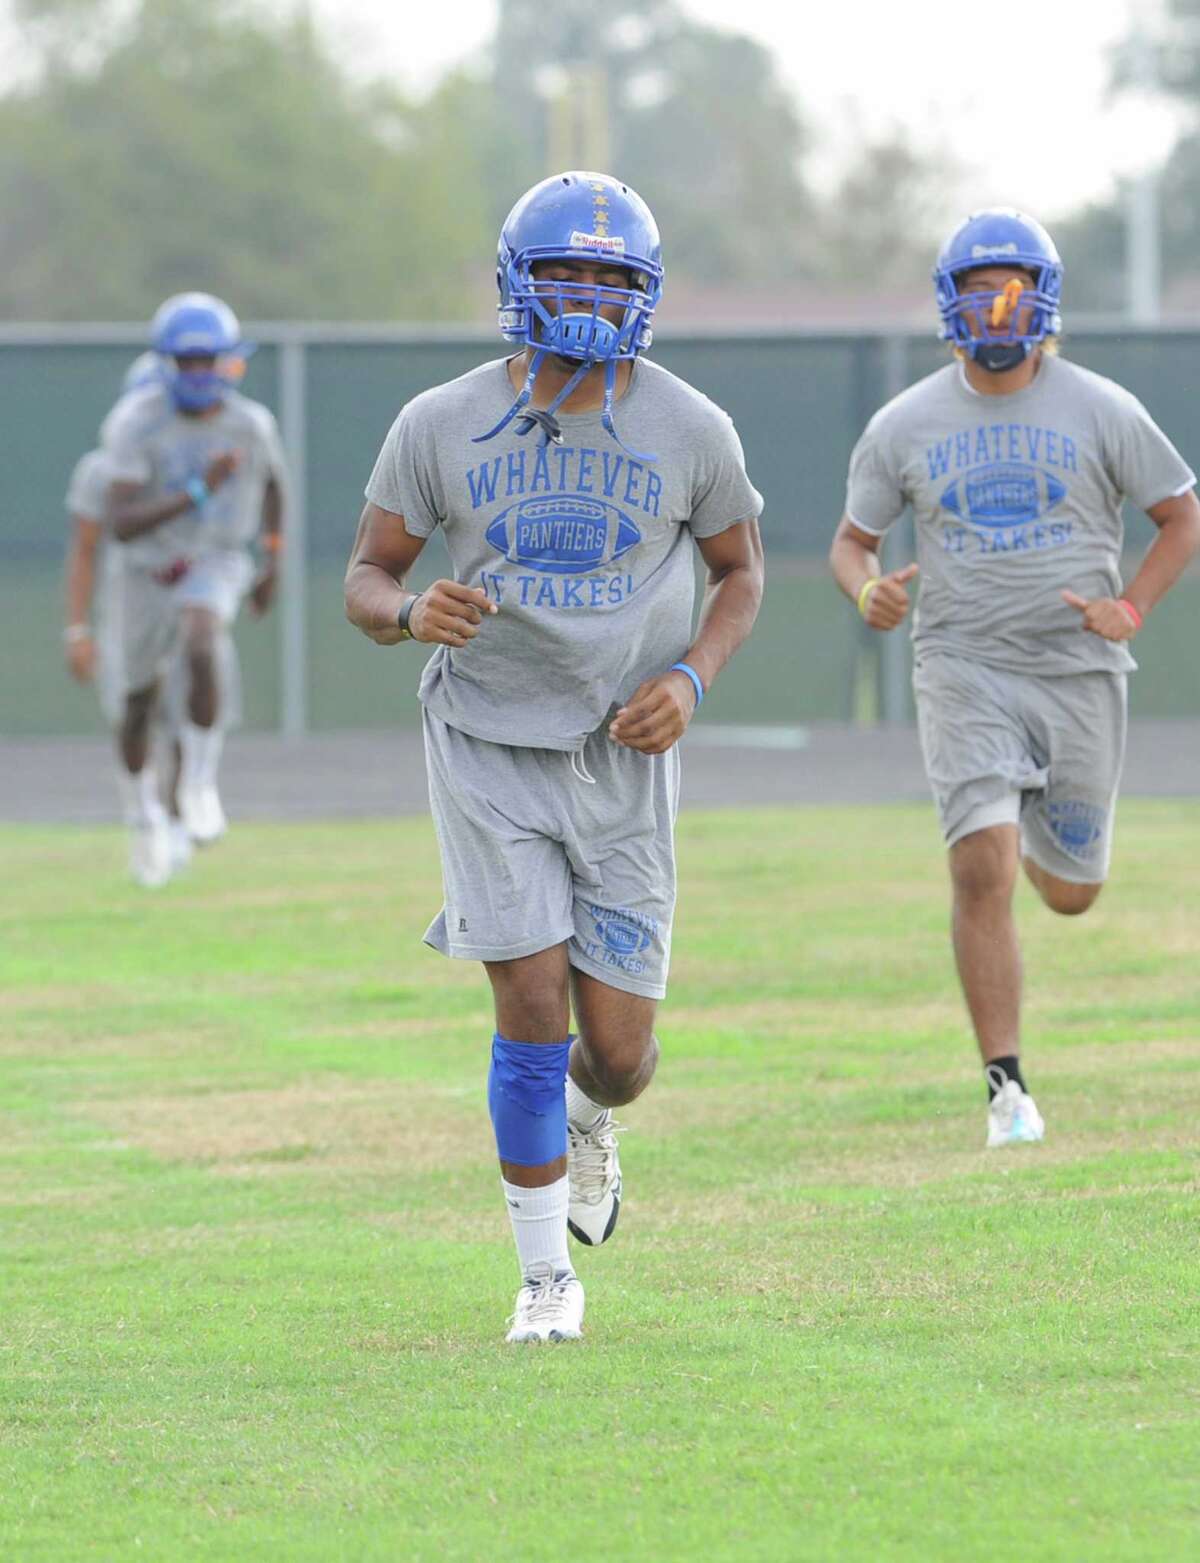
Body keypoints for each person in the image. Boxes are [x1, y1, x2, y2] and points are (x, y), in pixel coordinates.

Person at [345, 170, 764, 1342]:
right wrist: (406, 612)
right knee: (528, 1006)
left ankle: (593, 1111)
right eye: (564, 272)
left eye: (612, 276)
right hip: (484, 741)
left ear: (648, 291)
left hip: (621, 756)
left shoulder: (694, 427)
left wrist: (691, 677)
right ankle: (545, 1281)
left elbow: (742, 573)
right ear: (514, 283)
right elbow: (364, 579)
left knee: (620, 1053)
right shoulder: (436, 421)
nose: (587, 295)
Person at [830, 207, 1200, 1148]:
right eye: (978, 289)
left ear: (1045, 300)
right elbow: (852, 543)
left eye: (1016, 288)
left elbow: (1180, 514)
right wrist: (868, 590)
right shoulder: (903, 422)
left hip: (1078, 671)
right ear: (948, 305)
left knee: (1071, 893)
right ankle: (1007, 1091)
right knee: (979, 861)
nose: (998, 308)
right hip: (963, 666)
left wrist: (1135, 606)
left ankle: (1033, 817)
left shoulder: (1103, 407)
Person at [101, 292, 287, 884]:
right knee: (138, 702)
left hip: (216, 558)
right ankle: (142, 814)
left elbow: (275, 488)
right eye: (188, 362)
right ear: (165, 364)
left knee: (203, 638)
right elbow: (120, 522)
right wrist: (199, 491)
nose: (200, 373)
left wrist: (273, 560)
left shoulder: (251, 423)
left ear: (231, 362)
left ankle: (200, 782)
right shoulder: (138, 421)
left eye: (210, 360)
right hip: (148, 571)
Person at [64, 354, 195, 877]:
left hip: (181, 603)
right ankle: (142, 818)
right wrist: (77, 628)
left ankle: (177, 815)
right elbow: (84, 551)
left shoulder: (191, 462)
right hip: (126, 610)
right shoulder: (102, 471)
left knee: (183, 714)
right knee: (132, 714)